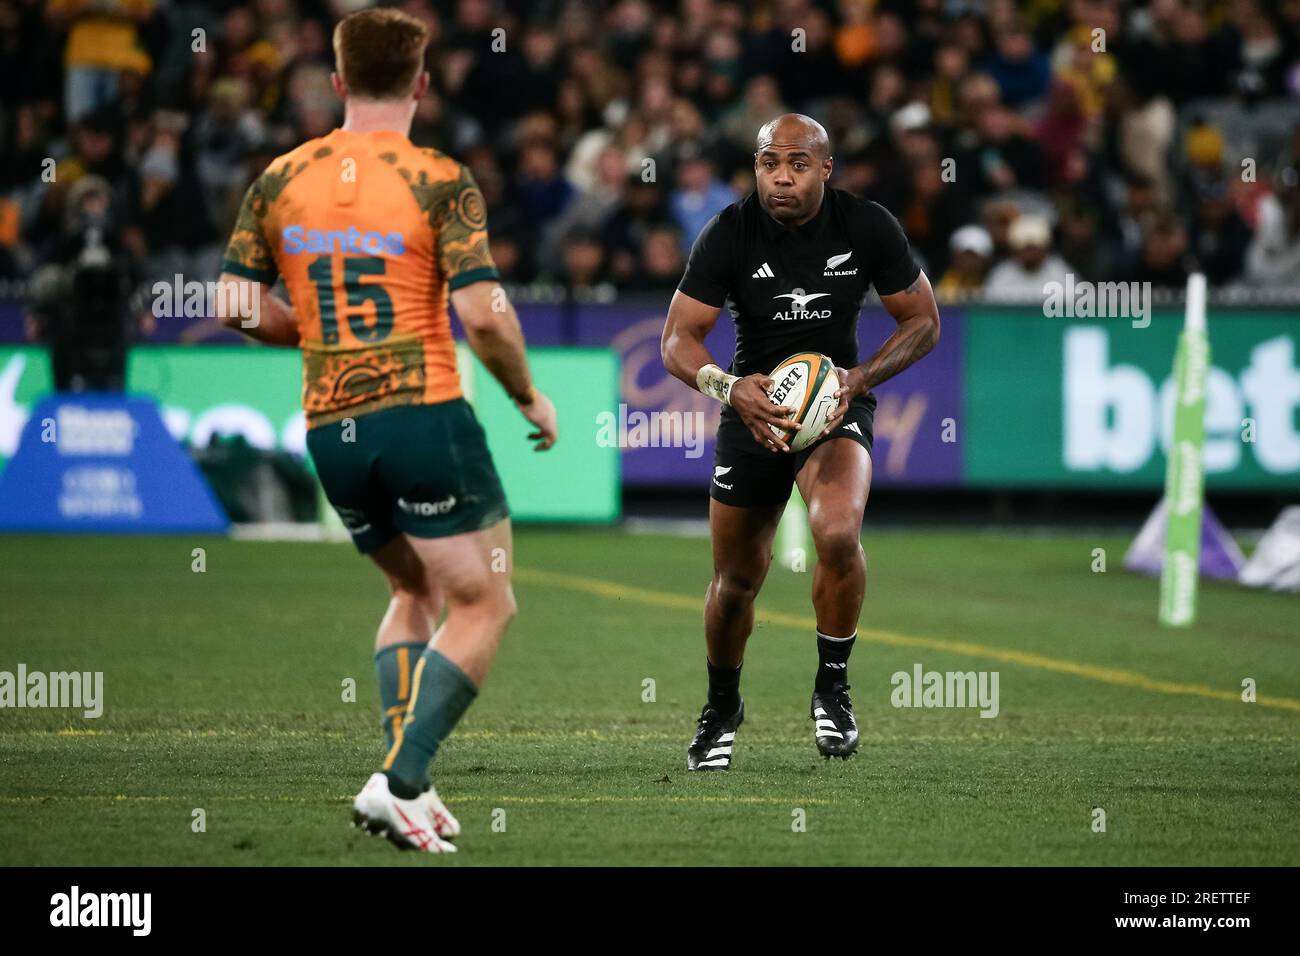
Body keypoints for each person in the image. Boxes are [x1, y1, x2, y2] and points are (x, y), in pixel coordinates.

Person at [215, 8, 558, 852]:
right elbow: (484, 314)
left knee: (413, 592)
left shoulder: (280, 176)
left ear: (336, 83)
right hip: (422, 413)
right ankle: (398, 781)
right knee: (487, 602)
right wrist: (527, 396)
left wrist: (316, 333)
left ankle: (412, 780)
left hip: (331, 428)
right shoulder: (438, 177)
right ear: (423, 83)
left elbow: (229, 302)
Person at [660, 113, 939, 769]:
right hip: (753, 410)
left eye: (797, 163)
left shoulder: (866, 226)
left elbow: (923, 321)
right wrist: (729, 389)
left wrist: (860, 377)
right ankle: (722, 705)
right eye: (768, 163)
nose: (781, 176)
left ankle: (832, 689)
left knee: (838, 531)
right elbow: (676, 339)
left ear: (825, 168)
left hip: (836, 403)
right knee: (735, 581)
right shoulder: (728, 233)